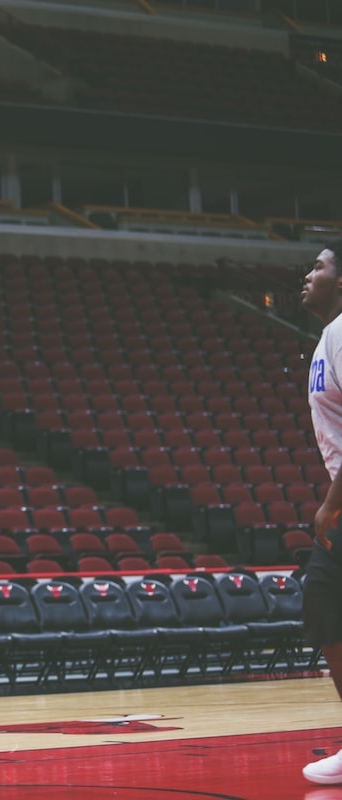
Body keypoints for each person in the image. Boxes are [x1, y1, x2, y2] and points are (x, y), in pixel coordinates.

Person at [302, 241, 342, 784]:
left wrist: (332, 502)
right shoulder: (328, 336)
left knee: (325, 605)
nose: (307, 275)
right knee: (325, 610)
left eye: (319, 267)